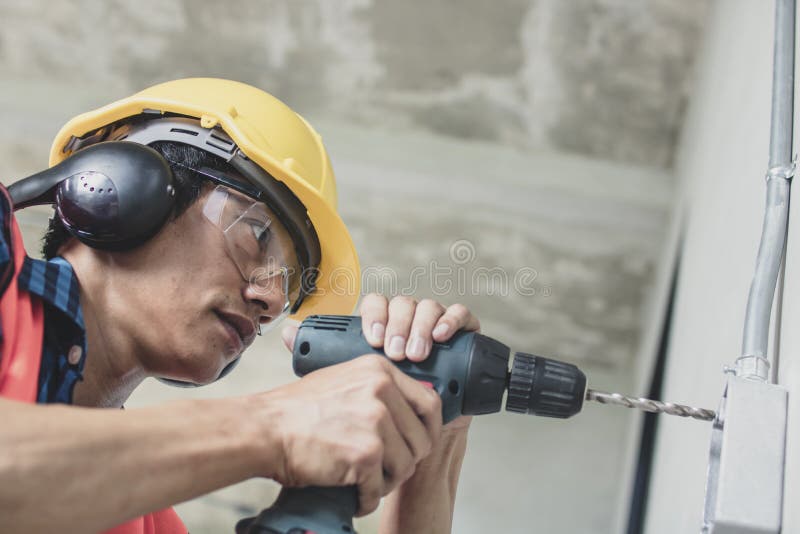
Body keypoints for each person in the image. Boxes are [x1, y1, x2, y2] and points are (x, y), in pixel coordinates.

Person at [0, 78, 480, 533]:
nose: (272, 300)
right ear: (123, 185)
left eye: (289, 284)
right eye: (256, 233)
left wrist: (432, 432)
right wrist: (273, 426)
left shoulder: (143, 519)